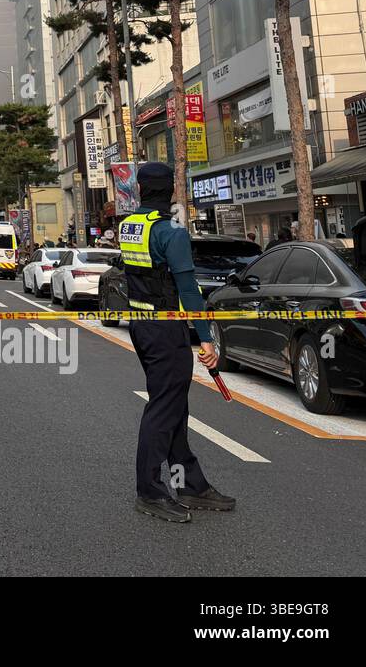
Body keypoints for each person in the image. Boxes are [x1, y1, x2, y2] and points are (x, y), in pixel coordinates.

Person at [119, 161, 235, 523]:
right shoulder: (172, 231)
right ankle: (150, 491)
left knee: (172, 406)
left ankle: (190, 484)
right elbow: (188, 288)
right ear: (170, 191)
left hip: (140, 324)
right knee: (164, 408)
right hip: (165, 328)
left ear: (140, 190)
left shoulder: (129, 226)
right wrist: (206, 340)